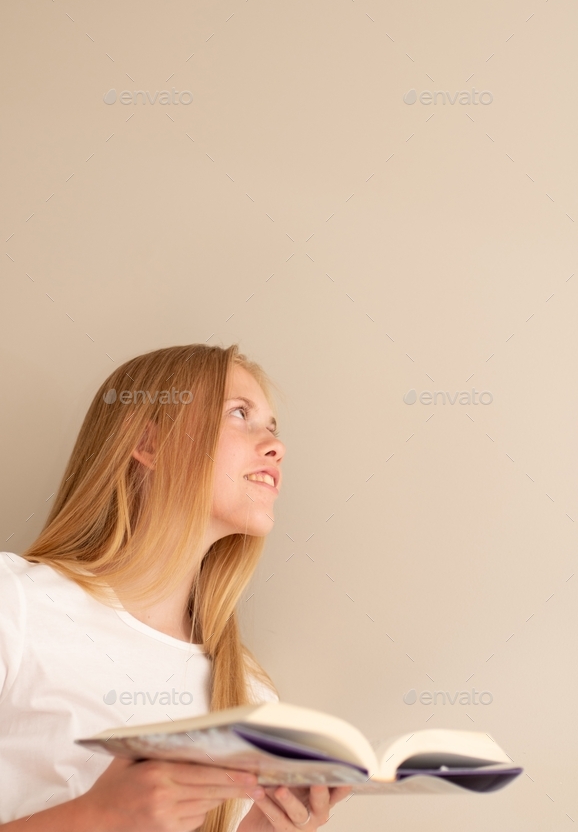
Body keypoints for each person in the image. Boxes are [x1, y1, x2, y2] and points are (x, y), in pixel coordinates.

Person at [0, 342, 352, 832]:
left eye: (273, 428)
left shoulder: (250, 694)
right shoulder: (13, 603)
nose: (277, 446)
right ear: (149, 444)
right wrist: (94, 817)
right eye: (239, 413)